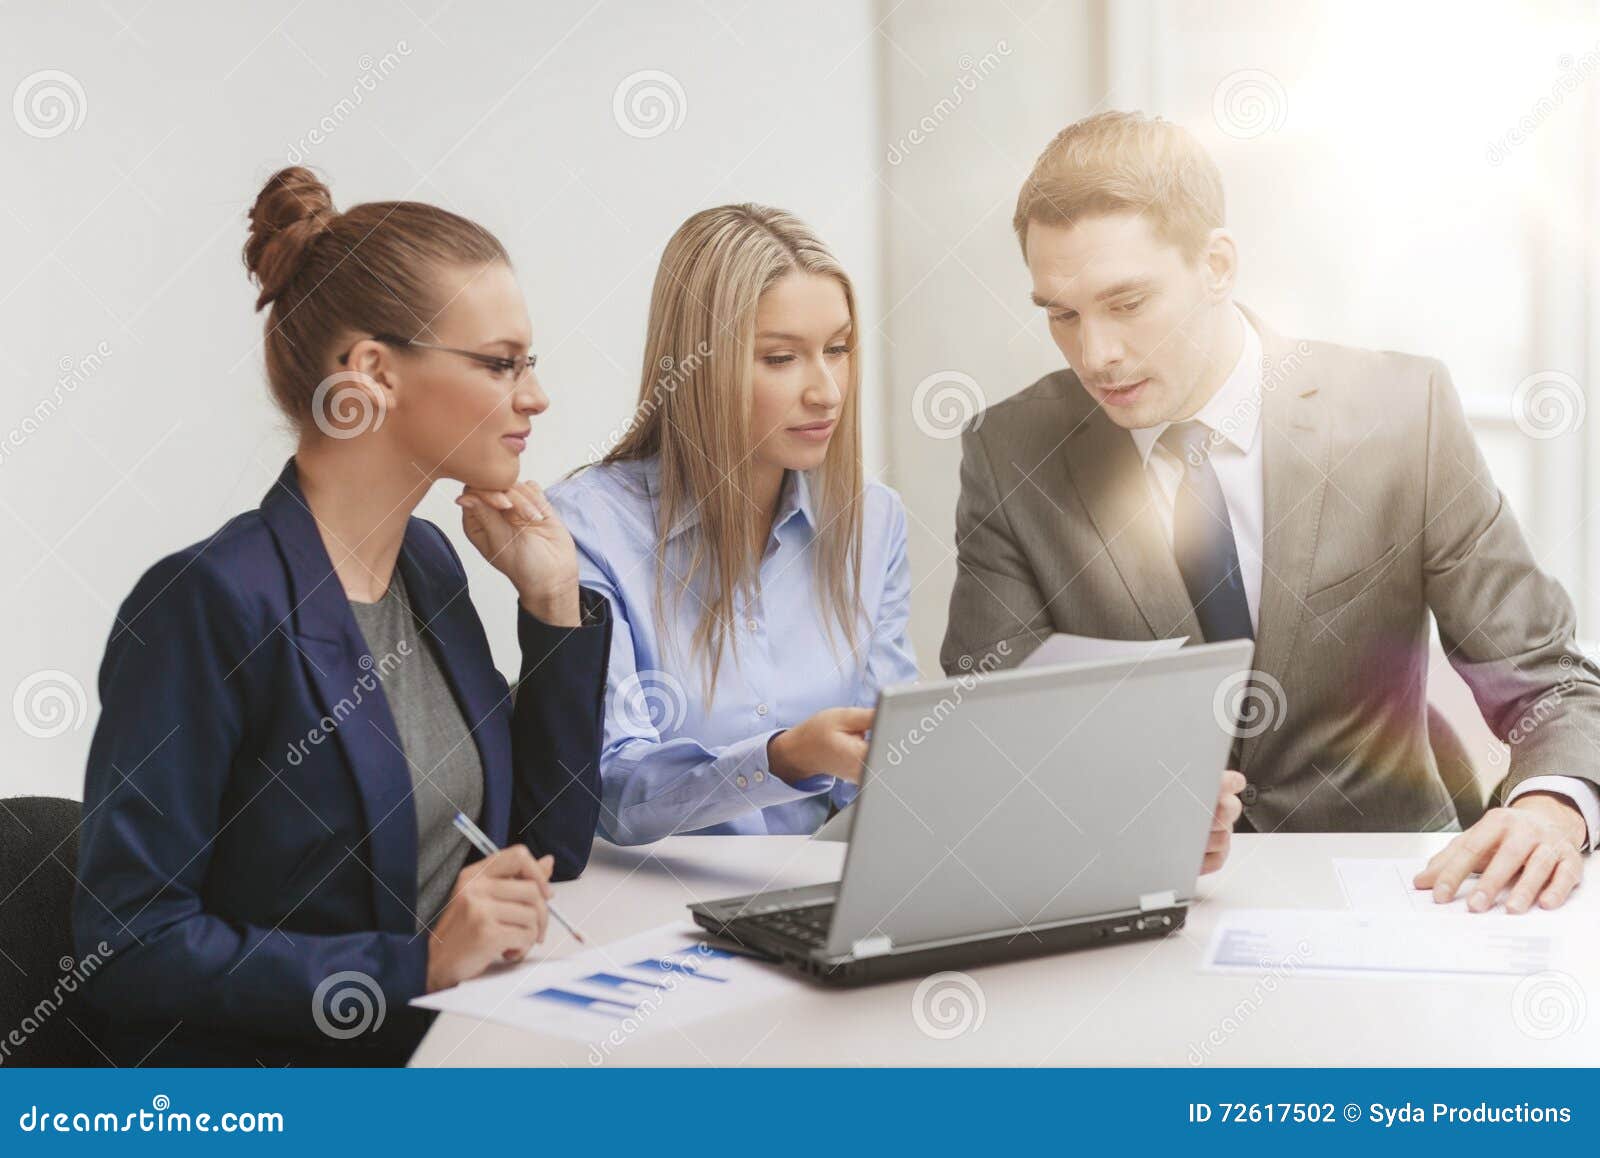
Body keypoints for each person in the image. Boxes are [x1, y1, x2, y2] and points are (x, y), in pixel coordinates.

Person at [942, 110, 1600, 910]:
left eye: (1128, 303)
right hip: (1133, 904)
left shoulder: (1402, 414)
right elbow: (990, 727)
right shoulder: (1011, 452)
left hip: (1393, 897)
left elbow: (1547, 681)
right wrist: (1113, 815)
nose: (1096, 354)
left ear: (1216, 265)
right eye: (1061, 314)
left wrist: (1553, 809)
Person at [72, 167, 611, 1065]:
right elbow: (127, 949)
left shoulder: (426, 566)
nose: (534, 396)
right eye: (499, 363)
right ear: (373, 372)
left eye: (529, 364)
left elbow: (548, 849)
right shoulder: (208, 602)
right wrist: (415, 965)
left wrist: (553, 605)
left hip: (459, 1044)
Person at [548, 204, 916, 843]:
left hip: (819, 884)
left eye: (837, 349)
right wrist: (782, 760)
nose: (828, 391)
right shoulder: (590, 527)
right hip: (663, 896)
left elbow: (886, 771)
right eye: (781, 358)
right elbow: (611, 793)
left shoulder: (873, 520)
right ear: (699, 367)